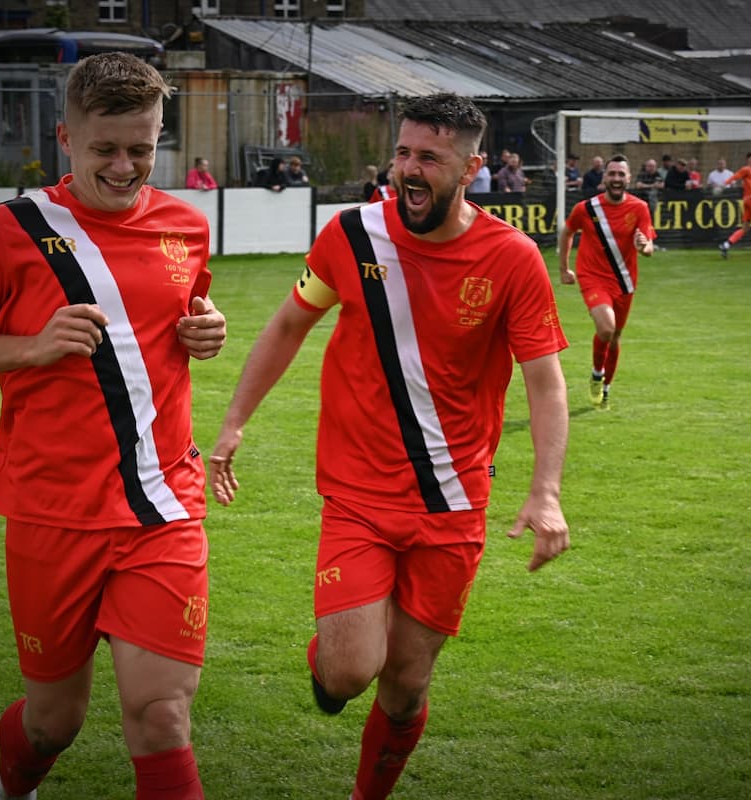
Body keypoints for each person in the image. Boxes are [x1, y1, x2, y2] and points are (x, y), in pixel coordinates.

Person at [206, 92, 570, 800]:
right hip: (359, 494)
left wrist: (546, 491)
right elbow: (287, 325)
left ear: (469, 169)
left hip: (454, 502)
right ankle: (333, 660)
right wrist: (234, 421)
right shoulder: (351, 237)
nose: (407, 167)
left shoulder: (511, 259)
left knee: (404, 687)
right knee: (347, 672)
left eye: (428, 157)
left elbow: (546, 386)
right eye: (402, 152)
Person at [0, 52, 228, 800]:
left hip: (162, 507)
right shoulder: (14, 230)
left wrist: (207, 327)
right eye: (106, 150)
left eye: (143, 149)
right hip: (51, 514)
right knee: (54, 722)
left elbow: (182, 315)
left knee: (160, 716)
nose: (125, 167)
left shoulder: (186, 226)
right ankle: (13, 785)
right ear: (65, 137)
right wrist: (32, 345)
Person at [557, 155, 655, 412]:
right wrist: (564, 268)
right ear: (604, 178)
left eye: (621, 175)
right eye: (612, 174)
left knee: (614, 338)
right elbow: (567, 232)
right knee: (607, 328)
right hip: (592, 277)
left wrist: (644, 246)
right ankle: (597, 373)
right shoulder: (586, 209)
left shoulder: (639, 208)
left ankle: (603, 384)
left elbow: (648, 244)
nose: (616, 179)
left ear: (629, 179)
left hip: (624, 281)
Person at [718, 151, 751, 261]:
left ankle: (726, 245)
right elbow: (735, 176)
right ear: (748, 159)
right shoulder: (747, 169)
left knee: (745, 227)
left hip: (747, 200)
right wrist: (724, 184)